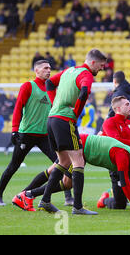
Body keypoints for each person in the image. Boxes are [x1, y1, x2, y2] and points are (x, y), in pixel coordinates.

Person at [39, 48, 106, 215]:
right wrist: (75, 113)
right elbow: (84, 93)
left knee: (63, 162)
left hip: (52, 118)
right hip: (65, 120)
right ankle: (77, 206)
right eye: (101, 65)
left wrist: (55, 103)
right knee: (78, 161)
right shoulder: (86, 75)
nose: (102, 68)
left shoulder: (69, 70)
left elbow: (49, 83)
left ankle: (45, 200)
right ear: (92, 62)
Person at [0, 60, 67, 206]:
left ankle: (67, 196)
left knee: (60, 164)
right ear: (36, 71)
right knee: (13, 166)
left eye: (50, 68)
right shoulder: (28, 86)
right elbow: (18, 107)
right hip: (27, 134)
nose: (49, 70)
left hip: (45, 135)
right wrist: (14, 130)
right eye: (45, 68)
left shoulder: (52, 89)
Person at [13, 134, 130, 213]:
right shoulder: (123, 155)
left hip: (81, 147)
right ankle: (27, 195)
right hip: (79, 149)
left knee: (59, 177)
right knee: (61, 178)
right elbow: (124, 181)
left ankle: (24, 195)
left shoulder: (129, 155)